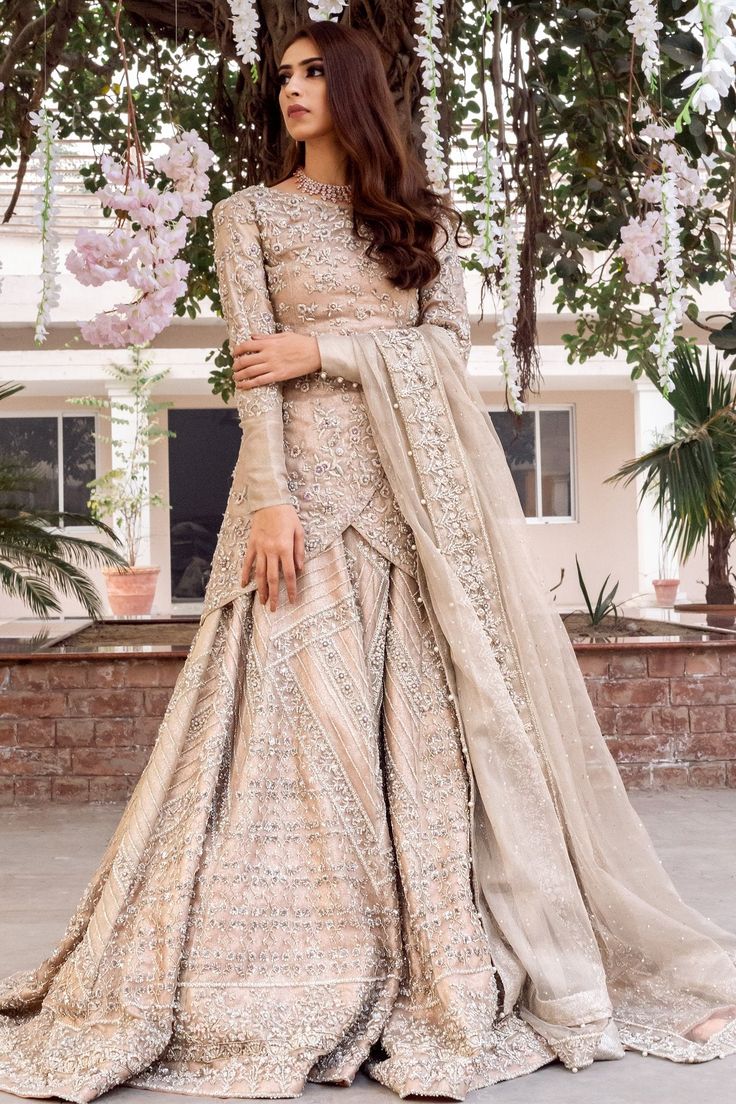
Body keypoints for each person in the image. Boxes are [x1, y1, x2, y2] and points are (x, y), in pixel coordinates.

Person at [1, 16, 736, 1104]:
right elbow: (256, 373)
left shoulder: (421, 220)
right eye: (281, 76)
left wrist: (330, 348)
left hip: (413, 511)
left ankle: (443, 960)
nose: (291, 91)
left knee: (433, 736)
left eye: (310, 74)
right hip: (300, 503)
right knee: (289, 726)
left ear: (354, 88)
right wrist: (272, 502)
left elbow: (444, 352)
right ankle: (286, 963)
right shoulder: (246, 214)